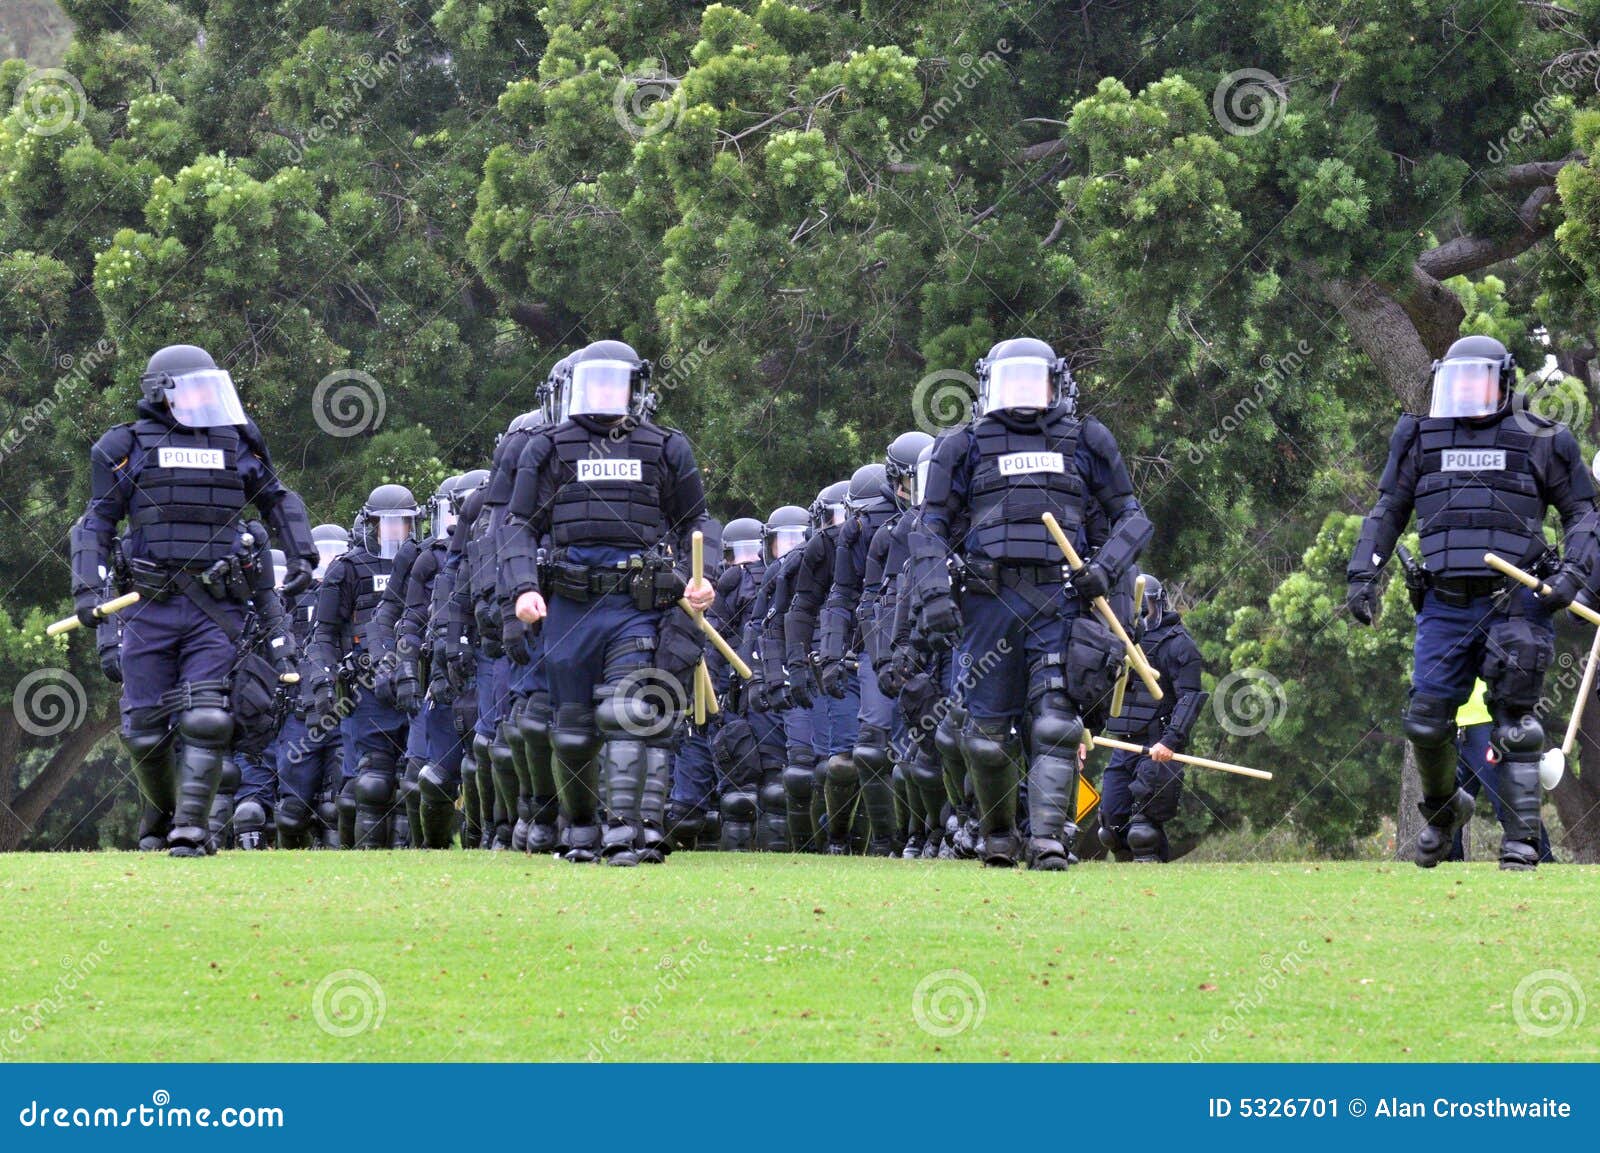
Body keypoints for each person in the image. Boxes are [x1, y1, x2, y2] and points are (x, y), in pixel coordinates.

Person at [1347, 335, 1597, 871]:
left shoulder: (1544, 439)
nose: (1465, 392)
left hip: (1518, 601)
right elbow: (1389, 508)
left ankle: (1522, 842)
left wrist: (1575, 575)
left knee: (1516, 722)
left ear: (1505, 382)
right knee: (1425, 719)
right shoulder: (1419, 437)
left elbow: (1583, 513)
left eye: (1478, 381)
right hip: (1443, 602)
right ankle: (1442, 811)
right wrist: (1362, 574)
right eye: (1455, 382)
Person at [69, 344, 316, 857]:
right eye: (197, 386)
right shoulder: (124, 446)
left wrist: (301, 555)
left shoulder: (238, 444)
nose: (209, 396)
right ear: (163, 393)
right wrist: (88, 592)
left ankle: (191, 829)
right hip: (146, 606)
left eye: (213, 385)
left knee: (207, 718)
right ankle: (161, 815)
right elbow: (95, 522)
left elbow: (277, 498)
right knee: (144, 734)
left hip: (215, 607)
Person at [916, 337, 1151, 869]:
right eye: (1010, 382)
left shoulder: (1088, 439)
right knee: (986, 738)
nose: (1022, 394)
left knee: (1055, 724)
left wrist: (1103, 570)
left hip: (1058, 600)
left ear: (1058, 384)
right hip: (986, 602)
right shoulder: (962, 445)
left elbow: (1133, 518)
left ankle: (1048, 840)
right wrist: (933, 593)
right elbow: (927, 526)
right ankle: (998, 838)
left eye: (1033, 382)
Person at [501, 339, 719, 866]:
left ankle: (624, 833)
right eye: (592, 382)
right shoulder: (546, 448)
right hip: (569, 607)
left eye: (612, 383)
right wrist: (523, 587)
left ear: (637, 390)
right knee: (572, 731)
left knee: (626, 712)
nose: (602, 393)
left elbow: (699, 522)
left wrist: (702, 575)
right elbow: (518, 527)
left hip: (635, 606)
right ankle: (579, 832)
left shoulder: (667, 448)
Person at [306, 483, 420, 849]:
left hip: (416, 679)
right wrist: (323, 682)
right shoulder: (347, 570)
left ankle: (419, 862)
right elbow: (322, 634)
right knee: (370, 784)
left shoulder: (424, 560)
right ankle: (365, 861)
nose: (393, 531)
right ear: (369, 524)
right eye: (385, 523)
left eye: (401, 523)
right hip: (364, 685)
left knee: (414, 779)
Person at [398, 471, 485, 849]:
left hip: (490, 665)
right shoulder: (426, 560)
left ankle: (488, 840)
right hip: (443, 674)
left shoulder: (504, 550)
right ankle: (432, 849)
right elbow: (407, 619)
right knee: (431, 777)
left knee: (487, 758)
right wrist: (403, 669)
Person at [1097, 575, 1205, 863]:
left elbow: (1190, 697)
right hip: (1126, 745)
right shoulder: (1115, 644)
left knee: (1142, 833)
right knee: (1111, 829)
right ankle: (1128, 885)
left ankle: (1154, 877)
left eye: (1147, 609)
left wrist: (1170, 741)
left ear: (1158, 604)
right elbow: (1099, 691)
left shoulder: (1180, 645)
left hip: (1160, 746)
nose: (1143, 616)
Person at [277, 523, 349, 848]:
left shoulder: (349, 592)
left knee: (338, 805)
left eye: (338, 553)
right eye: (325, 554)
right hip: (298, 713)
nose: (331, 561)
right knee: (291, 811)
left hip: (342, 707)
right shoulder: (288, 597)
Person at [1446, 680, 1557, 863]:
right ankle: (1450, 862)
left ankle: (1543, 858)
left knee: (1509, 799)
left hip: (1486, 726)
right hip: (1456, 729)